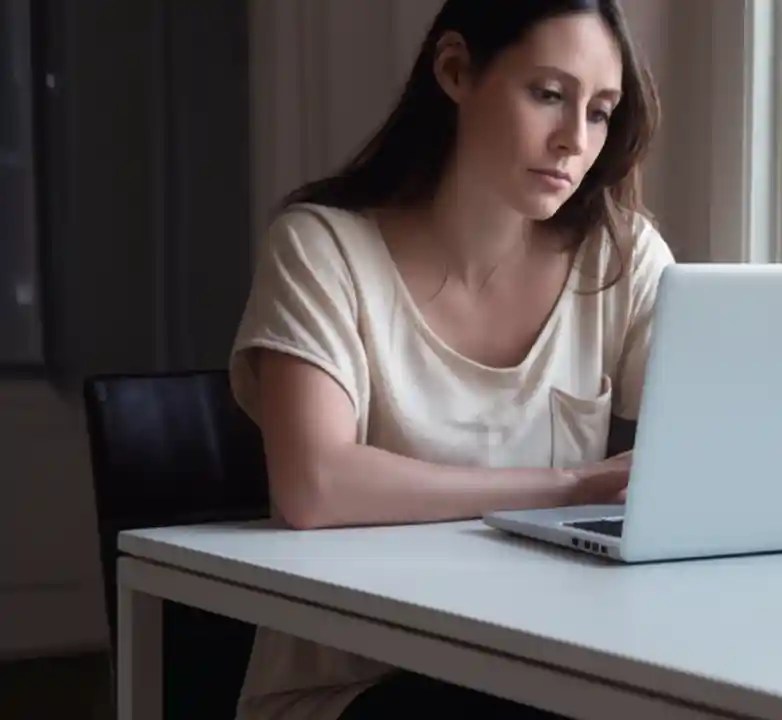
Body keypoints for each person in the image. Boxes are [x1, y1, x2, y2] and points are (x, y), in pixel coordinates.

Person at [226, 0, 671, 717]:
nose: (573, 140)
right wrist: (568, 485)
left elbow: (710, 448)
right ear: (456, 71)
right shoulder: (322, 249)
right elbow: (315, 485)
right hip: (354, 687)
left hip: (551, 666)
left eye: (599, 111)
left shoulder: (620, 259)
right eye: (549, 95)